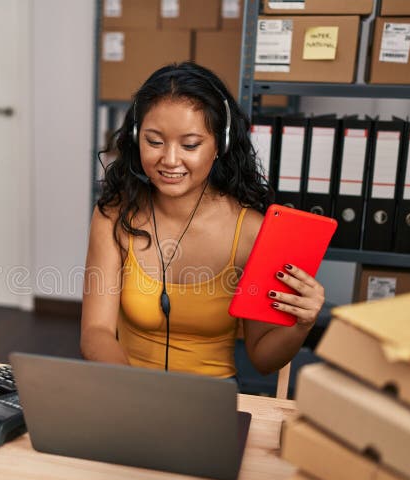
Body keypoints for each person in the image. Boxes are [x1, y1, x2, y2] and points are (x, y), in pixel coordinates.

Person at [80, 62, 325, 381]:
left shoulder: (252, 232)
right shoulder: (113, 216)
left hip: (211, 399)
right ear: (137, 138)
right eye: (154, 142)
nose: (170, 160)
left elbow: (263, 359)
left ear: (220, 144)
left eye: (190, 145)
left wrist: (302, 323)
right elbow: (95, 332)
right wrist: (135, 392)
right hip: (128, 390)